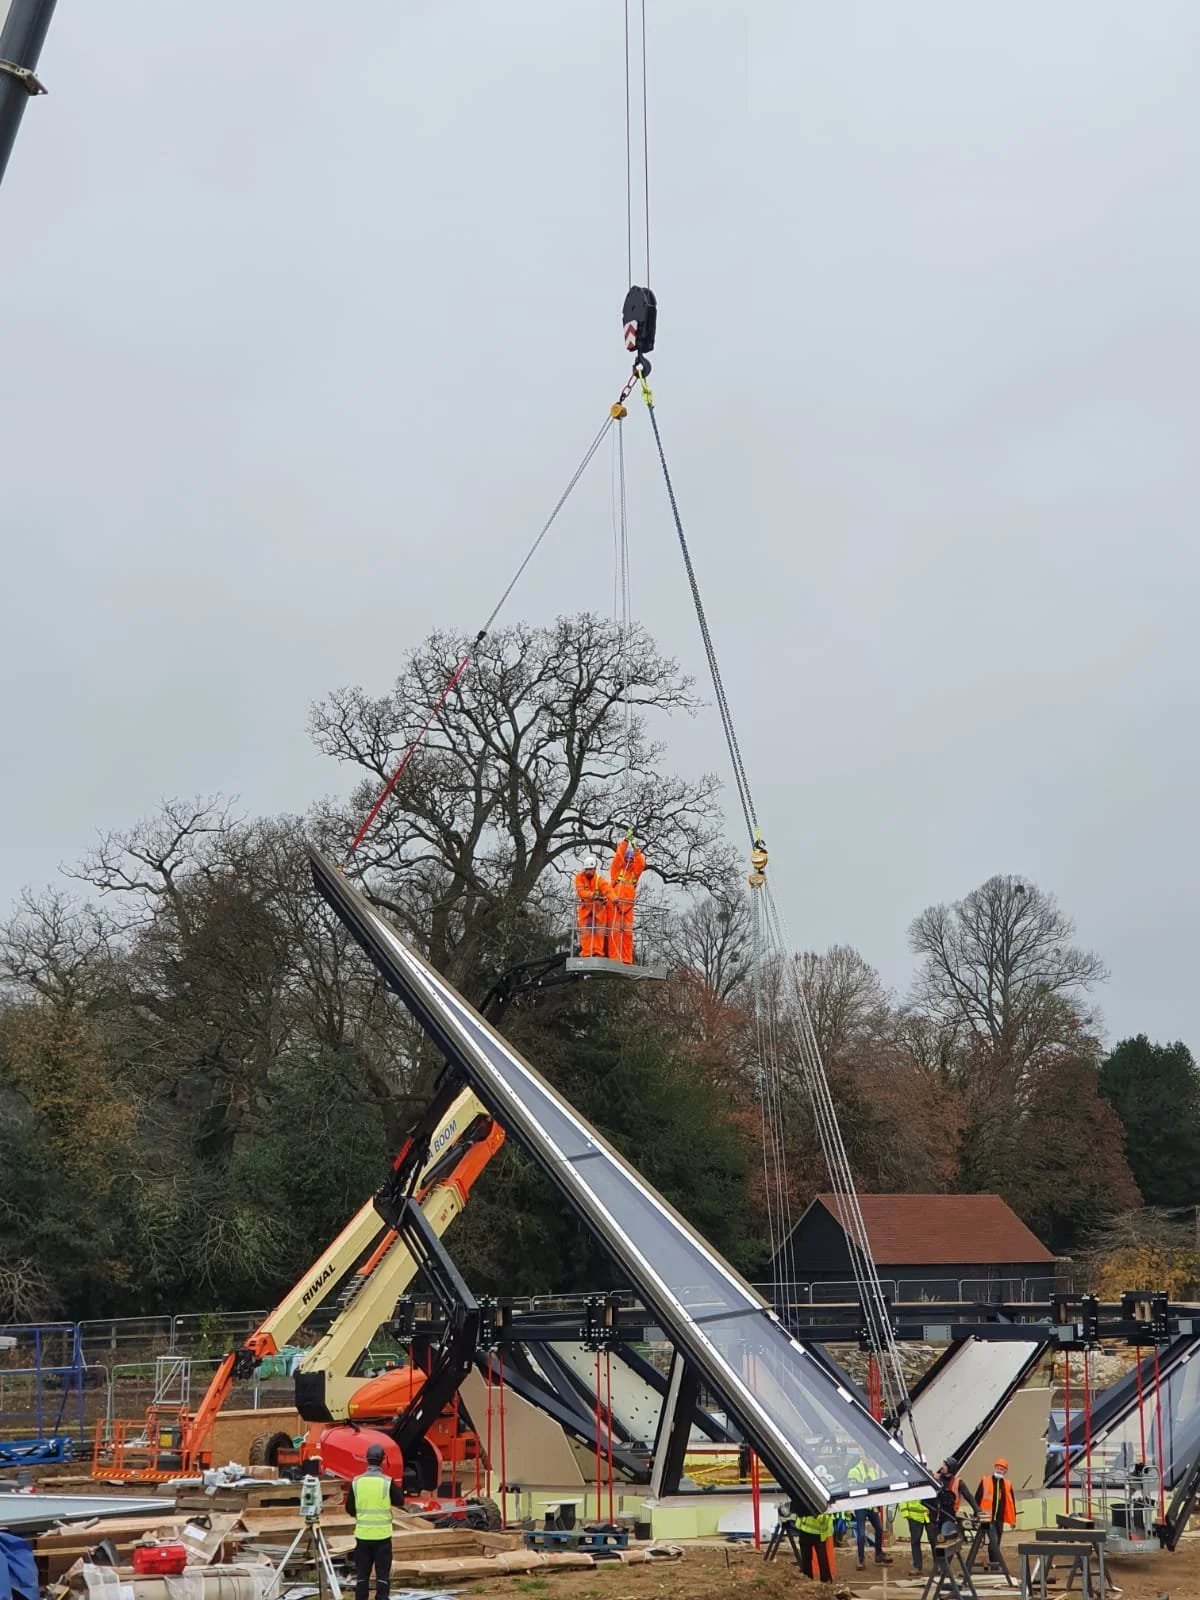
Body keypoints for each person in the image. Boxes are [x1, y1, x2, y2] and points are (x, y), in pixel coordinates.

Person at [345, 1442, 404, 1600]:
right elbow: (400, 1501)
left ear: (367, 1460)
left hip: (363, 1537)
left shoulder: (356, 1482)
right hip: (382, 1538)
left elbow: (349, 1508)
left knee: (362, 1576)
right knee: (382, 1575)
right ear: (383, 1460)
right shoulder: (387, 1482)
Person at [848, 1454, 893, 1570]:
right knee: (861, 1533)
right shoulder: (855, 1471)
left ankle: (878, 1554)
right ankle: (860, 1559)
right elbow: (851, 1489)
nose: (873, 1462)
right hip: (861, 1505)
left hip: (871, 1505)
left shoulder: (873, 1471)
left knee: (879, 1528)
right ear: (865, 1459)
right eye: (872, 1459)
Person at [608, 834, 645, 963]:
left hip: (628, 908)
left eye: (631, 858)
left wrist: (635, 848)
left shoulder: (634, 873)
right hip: (616, 906)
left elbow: (641, 864)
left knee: (627, 934)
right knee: (615, 933)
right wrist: (625, 842)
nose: (629, 860)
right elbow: (617, 857)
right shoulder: (616, 871)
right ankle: (614, 958)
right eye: (627, 858)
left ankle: (626, 958)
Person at [975, 1458, 1016, 1571]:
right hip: (987, 1519)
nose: (999, 1470)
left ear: (1005, 1471)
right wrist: (977, 1514)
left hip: (999, 1519)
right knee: (994, 1541)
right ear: (994, 1468)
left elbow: (1011, 1502)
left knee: (996, 1542)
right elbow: (977, 1498)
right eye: (998, 1468)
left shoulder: (1007, 1484)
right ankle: (996, 1565)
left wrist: (1013, 1520)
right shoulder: (985, 1480)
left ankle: (994, 1564)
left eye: (1002, 1469)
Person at [573, 855, 612, 958]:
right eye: (587, 870)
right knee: (586, 932)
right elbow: (581, 892)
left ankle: (598, 952)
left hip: (598, 910)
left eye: (590, 869)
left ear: (595, 869)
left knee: (599, 932)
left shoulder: (600, 880)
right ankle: (586, 952)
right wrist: (593, 895)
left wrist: (614, 898)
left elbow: (608, 890)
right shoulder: (579, 877)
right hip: (585, 909)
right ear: (584, 869)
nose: (588, 872)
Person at [793, 1510, 835, 1581]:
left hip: (805, 1530)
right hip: (819, 1533)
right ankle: (826, 1580)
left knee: (806, 1558)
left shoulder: (807, 1501)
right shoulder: (824, 1504)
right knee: (822, 1558)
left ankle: (808, 1579)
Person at [897, 1497, 935, 1573]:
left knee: (934, 1541)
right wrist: (906, 1514)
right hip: (914, 1516)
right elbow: (902, 1496)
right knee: (915, 1541)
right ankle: (917, 1566)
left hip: (929, 1515)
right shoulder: (909, 1485)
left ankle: (939, 1566)